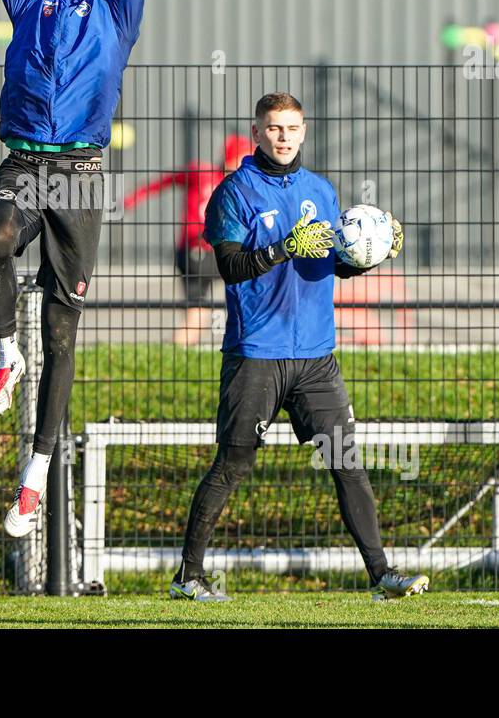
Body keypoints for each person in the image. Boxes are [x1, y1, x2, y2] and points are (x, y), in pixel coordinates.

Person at [169, 91, 429, 601]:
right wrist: (282, 247)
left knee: (346, 462)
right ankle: (188, 577)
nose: (283, 137)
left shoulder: (321, 191)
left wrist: (369, 257)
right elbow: (230, 267)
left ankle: (382, 578)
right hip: (256, 354)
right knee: (233, 465)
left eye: (291, 128)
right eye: (273, 128)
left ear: (303, 132)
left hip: (316, 358)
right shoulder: (234, 192)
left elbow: (331, 263)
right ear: (257, 132)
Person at [0, 0, 143, 537]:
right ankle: (4, 352)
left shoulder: (118, 9)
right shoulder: (31, 2)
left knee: (64, 332)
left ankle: (36, 474)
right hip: (26, 160)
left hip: (79, 173)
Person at [122, 135, 254, 346]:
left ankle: (178, 348)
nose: (245, 163)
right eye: (242, 157)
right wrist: (133, 198)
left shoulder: (238, 183)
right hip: (198, 249)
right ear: (230, 158)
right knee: (200, 308)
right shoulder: (209, 175)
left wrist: (134, 198)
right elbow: (165, 181)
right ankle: (175, 349)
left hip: (210, 250)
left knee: (201, 310)